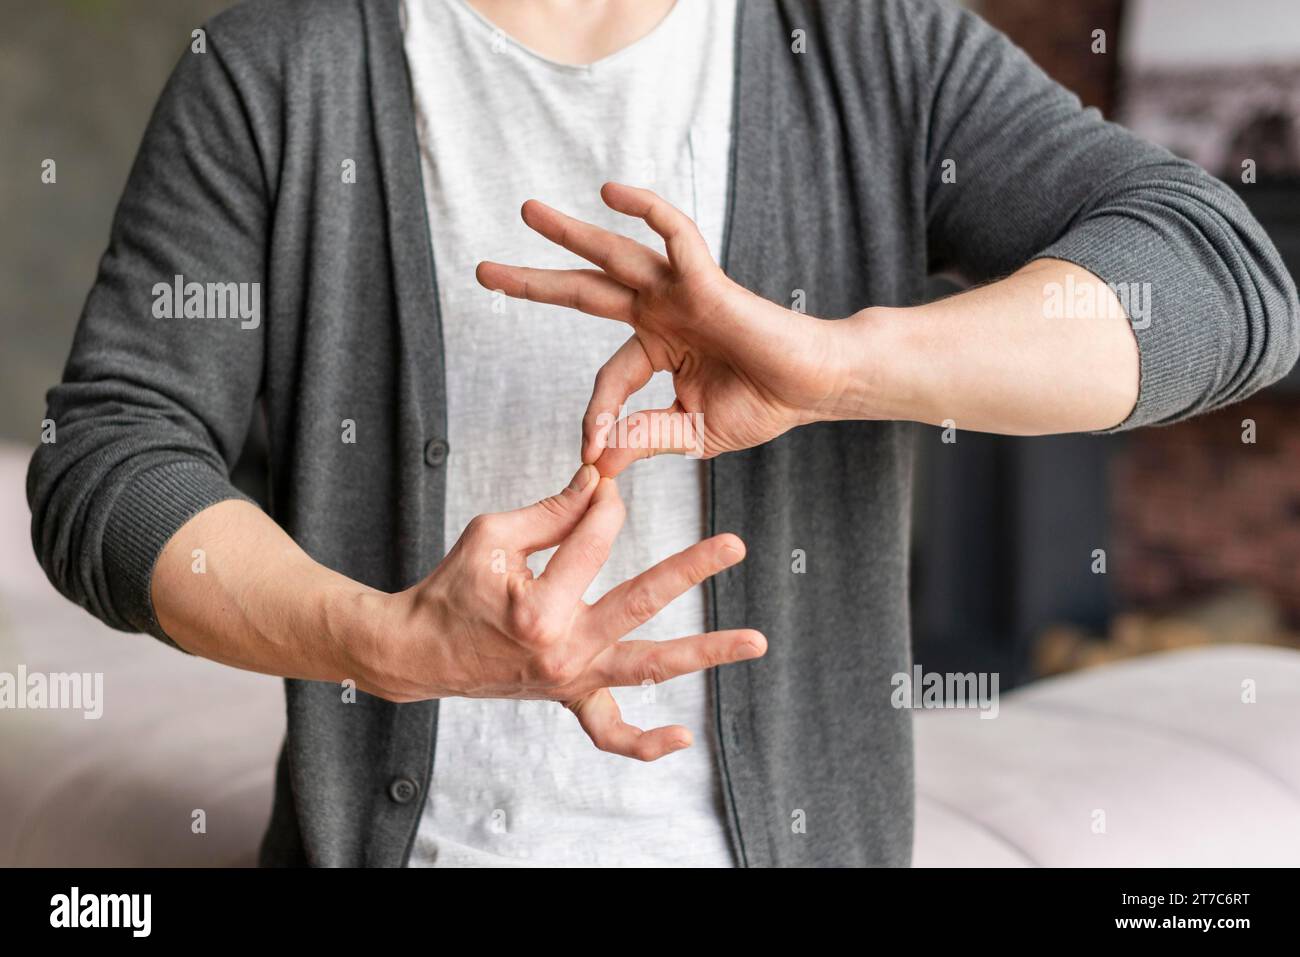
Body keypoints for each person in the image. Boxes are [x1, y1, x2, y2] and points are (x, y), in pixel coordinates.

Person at [28, 0, 1299, 867]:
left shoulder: (867, 44)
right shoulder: (276, 65)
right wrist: (388, 644)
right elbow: (110, 454)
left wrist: (844, 364)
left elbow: (1224, 281)